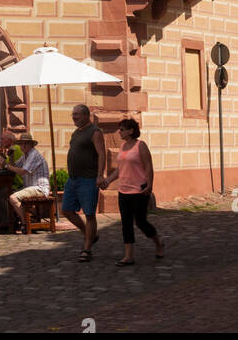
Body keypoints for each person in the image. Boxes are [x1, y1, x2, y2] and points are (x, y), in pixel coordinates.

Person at [100, 117, 164, 266]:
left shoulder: (140, 146)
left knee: (141, 222)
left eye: (122, 129)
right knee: (126, 223)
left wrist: (150, 185)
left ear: (131, 130)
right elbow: (120, 169)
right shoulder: (122, 147)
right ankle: (128, 256)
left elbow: (149, 166)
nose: (119, 132)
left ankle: (158, 242)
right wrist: (108, 180)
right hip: (123, 190)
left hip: (139, 190)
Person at [62, 103, 106, 261]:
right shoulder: (76, 132)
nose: (74, 117)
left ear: (86, 115)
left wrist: (100, 175)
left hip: (88, 179)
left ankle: (87, 249)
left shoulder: (94, 132)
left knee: (89, 214)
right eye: (73, 114)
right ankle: (89, 235)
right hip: (72, 179)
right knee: (66, 210)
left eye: (77, 114)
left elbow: (102, 154)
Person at [7, 134, 51, 230]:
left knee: (13, 198)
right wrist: (11, 156)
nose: (24, 146)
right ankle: (21, 221)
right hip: (30, 187)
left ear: (31, 145)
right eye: (22, 143)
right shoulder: (25, 156)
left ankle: (26, 224)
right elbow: (14, 166)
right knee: (6, 194)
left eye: (26, 143)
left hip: (40, 188)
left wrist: (6, 165)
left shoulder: (33, 155)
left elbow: (22, 172)